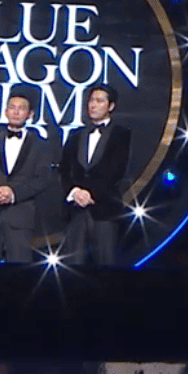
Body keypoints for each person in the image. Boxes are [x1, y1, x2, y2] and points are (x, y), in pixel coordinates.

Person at [0, 93, 55, 264]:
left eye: (21, 108)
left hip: (20, 216)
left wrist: (13, 193)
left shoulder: (40, 145)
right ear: (5, 112)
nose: (16, 112)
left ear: (30, 114)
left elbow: (43, 179)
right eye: (12, 107)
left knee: (20, 270)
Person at [59, 84, 132, 265]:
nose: (93, 105)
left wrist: (90, 193)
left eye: (99, 101)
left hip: (105, 210)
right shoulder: (76, 135)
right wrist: (75, 191)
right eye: (91, 100)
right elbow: (64, 170)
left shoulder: (121, 135)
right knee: (72, 266)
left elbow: (116, 170)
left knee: (106, 265)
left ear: (111, 106)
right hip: (76, 210)